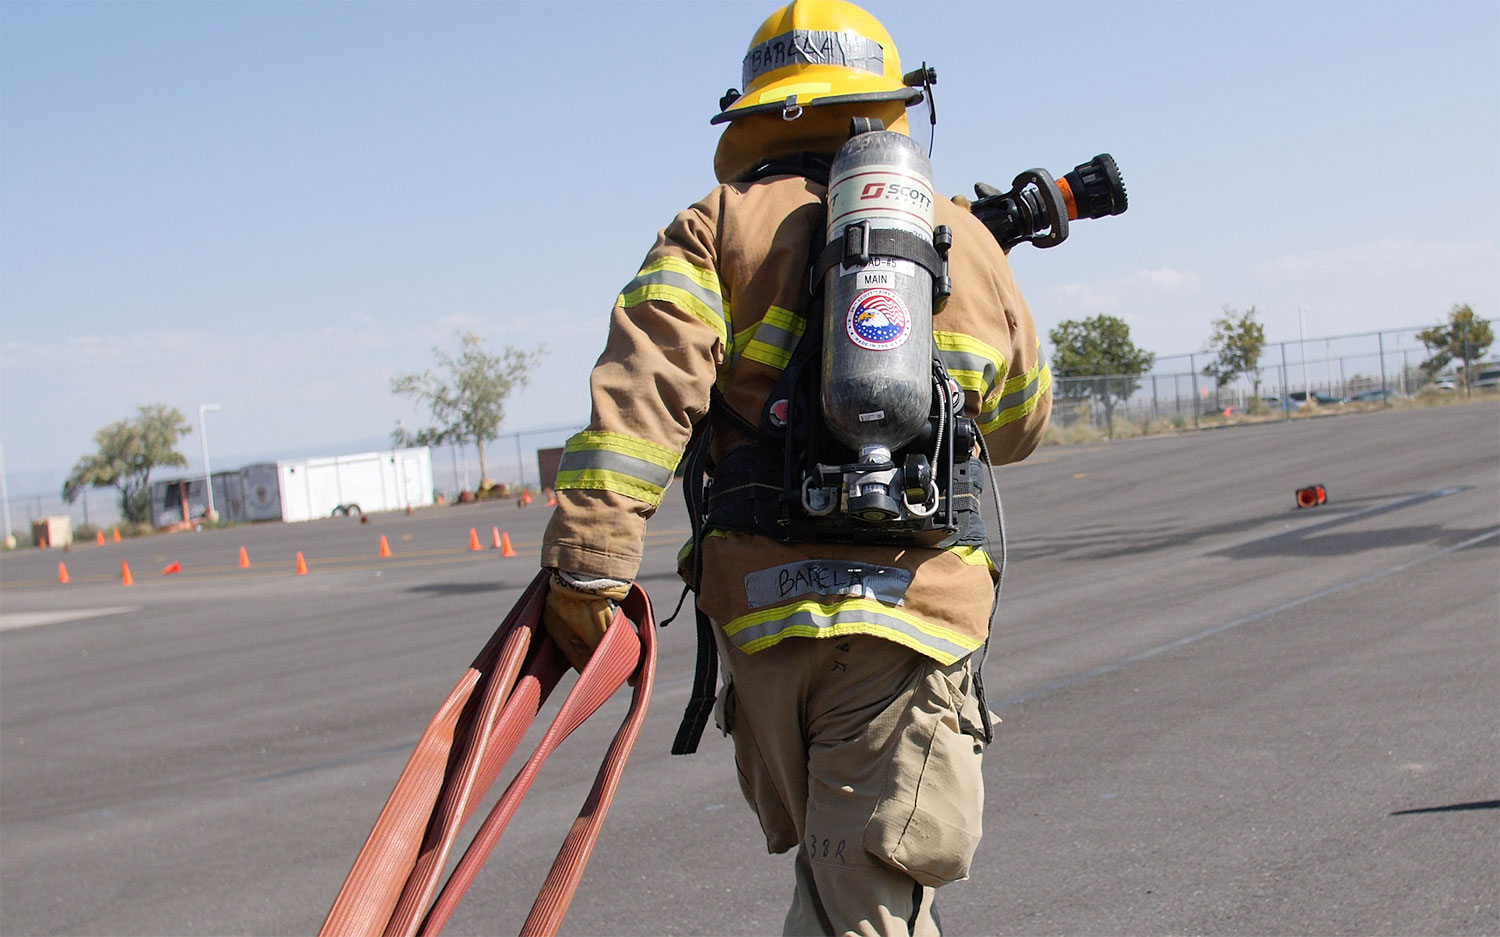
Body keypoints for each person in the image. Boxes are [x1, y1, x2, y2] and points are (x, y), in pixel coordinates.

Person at [539, 2, 1052, 934]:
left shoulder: (714, 227)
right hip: (910, 621)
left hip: (764, 624)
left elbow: (639, 399)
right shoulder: (962, 239)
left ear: (757, 114)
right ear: (888, 103)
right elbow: (1019, 426)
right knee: (862, 897)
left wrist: (590, 564)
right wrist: (972, 278)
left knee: (841, 884)